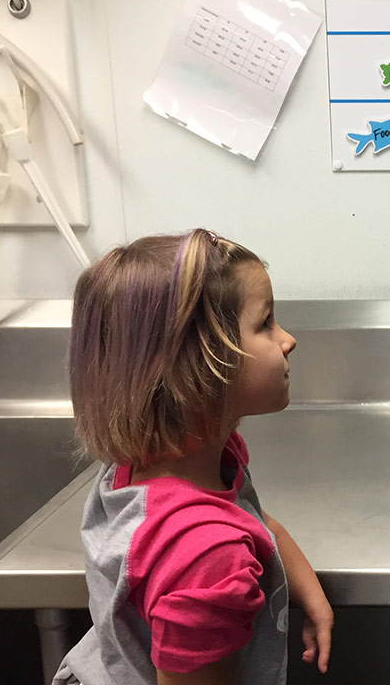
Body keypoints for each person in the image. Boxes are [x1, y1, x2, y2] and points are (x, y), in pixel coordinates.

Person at [53, 229, 332, 685]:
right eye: (264, 324)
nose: (288, 339)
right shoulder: (207, 559)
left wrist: (313, 596)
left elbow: (256, 519)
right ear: (198, 366)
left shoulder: (150, 464)